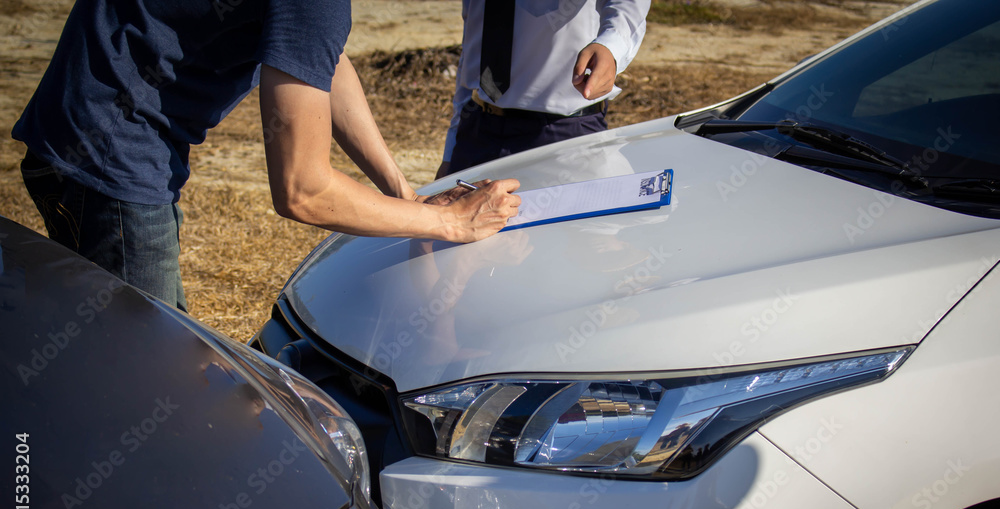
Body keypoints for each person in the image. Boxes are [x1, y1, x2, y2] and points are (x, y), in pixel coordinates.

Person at [12, 0, 520, 311]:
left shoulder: (308, 12)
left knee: (135, 349)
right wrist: (450, 224)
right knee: (145, 383)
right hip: (110, 158)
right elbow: (304, 190)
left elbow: (320, 58)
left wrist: (401, 190)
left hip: (83, 129)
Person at [438, 0, 650, 177]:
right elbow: (475, 42)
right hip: (476, 129)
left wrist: (611, 46)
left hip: (564, 139)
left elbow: (628, 5)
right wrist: (452, 152)